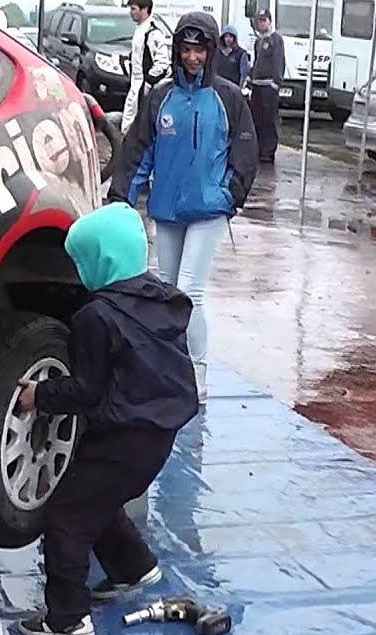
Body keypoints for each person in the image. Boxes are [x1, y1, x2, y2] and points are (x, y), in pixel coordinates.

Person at [14, 202, 199, 635]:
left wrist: (38, 395)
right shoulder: (161, 298)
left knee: (67, 516)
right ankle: (135, 568)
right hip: (160, 432)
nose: (79, 273)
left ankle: (67, 618)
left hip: (124, 434)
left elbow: (85, 391)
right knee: (99, 498)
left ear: (102, 260)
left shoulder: (95, 317)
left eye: (82, 262)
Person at [109, 11, 258, 402]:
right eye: (187, 49)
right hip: (167, 208)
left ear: (211, 51)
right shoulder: (160, 97)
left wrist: (231, 194)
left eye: (200, 50)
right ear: (177, 51)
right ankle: (173, 368)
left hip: (210, 209)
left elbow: (245, 149)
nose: (193, 57)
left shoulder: (228, 97)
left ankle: (198, 374)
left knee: (189, 291)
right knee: (168, 290)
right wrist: (121, 199)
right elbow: (138, 151)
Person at [121, 0, 172, 135]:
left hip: (143, 87)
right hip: (135, 84)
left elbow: (163, 63)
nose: (130, 13)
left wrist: (148, 83)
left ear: (144, 9)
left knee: (141, 126)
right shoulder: (139, 30)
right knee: (128, 124)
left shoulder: (153, 33)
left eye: (133, 9)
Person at [248, 10, 285, 163]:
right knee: (258, 118)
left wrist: (277, 82)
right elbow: (256, 62)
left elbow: (279, 61)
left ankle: (269, 150)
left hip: (269, 85)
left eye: (264, 20)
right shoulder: (258, 41)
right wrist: (251, 77)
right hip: (257, 85)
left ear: (270, 21)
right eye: (259, 21)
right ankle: (258, 148)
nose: (261, 23)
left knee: (269, 120)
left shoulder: (276, 40)